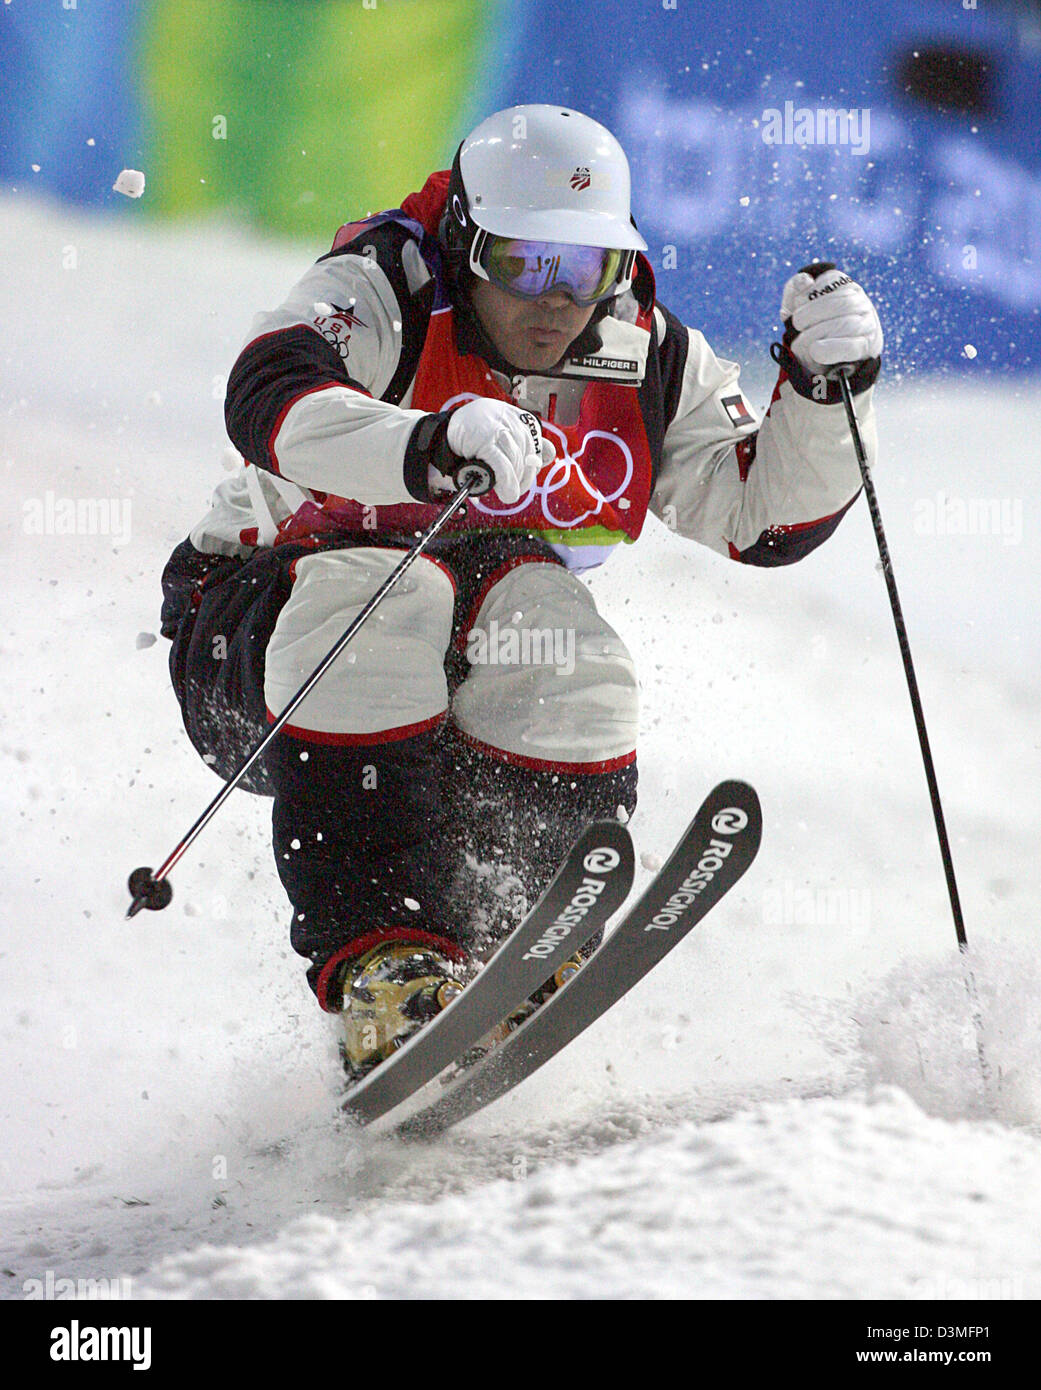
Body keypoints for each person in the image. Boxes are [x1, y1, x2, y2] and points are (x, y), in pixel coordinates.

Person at [160, 105, 882, 1081]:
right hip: (253, 649)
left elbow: (759, 518)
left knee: (556, 634)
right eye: (524, 263)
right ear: (466, 243)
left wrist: (832, 397)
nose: (555, 302)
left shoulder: (640, 353)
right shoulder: (387, 289)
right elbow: (267, 389)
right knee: (389, 588)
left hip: (455, 671)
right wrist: (418, 444)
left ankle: (524, 922)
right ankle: (387, 968)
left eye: (585, 271)